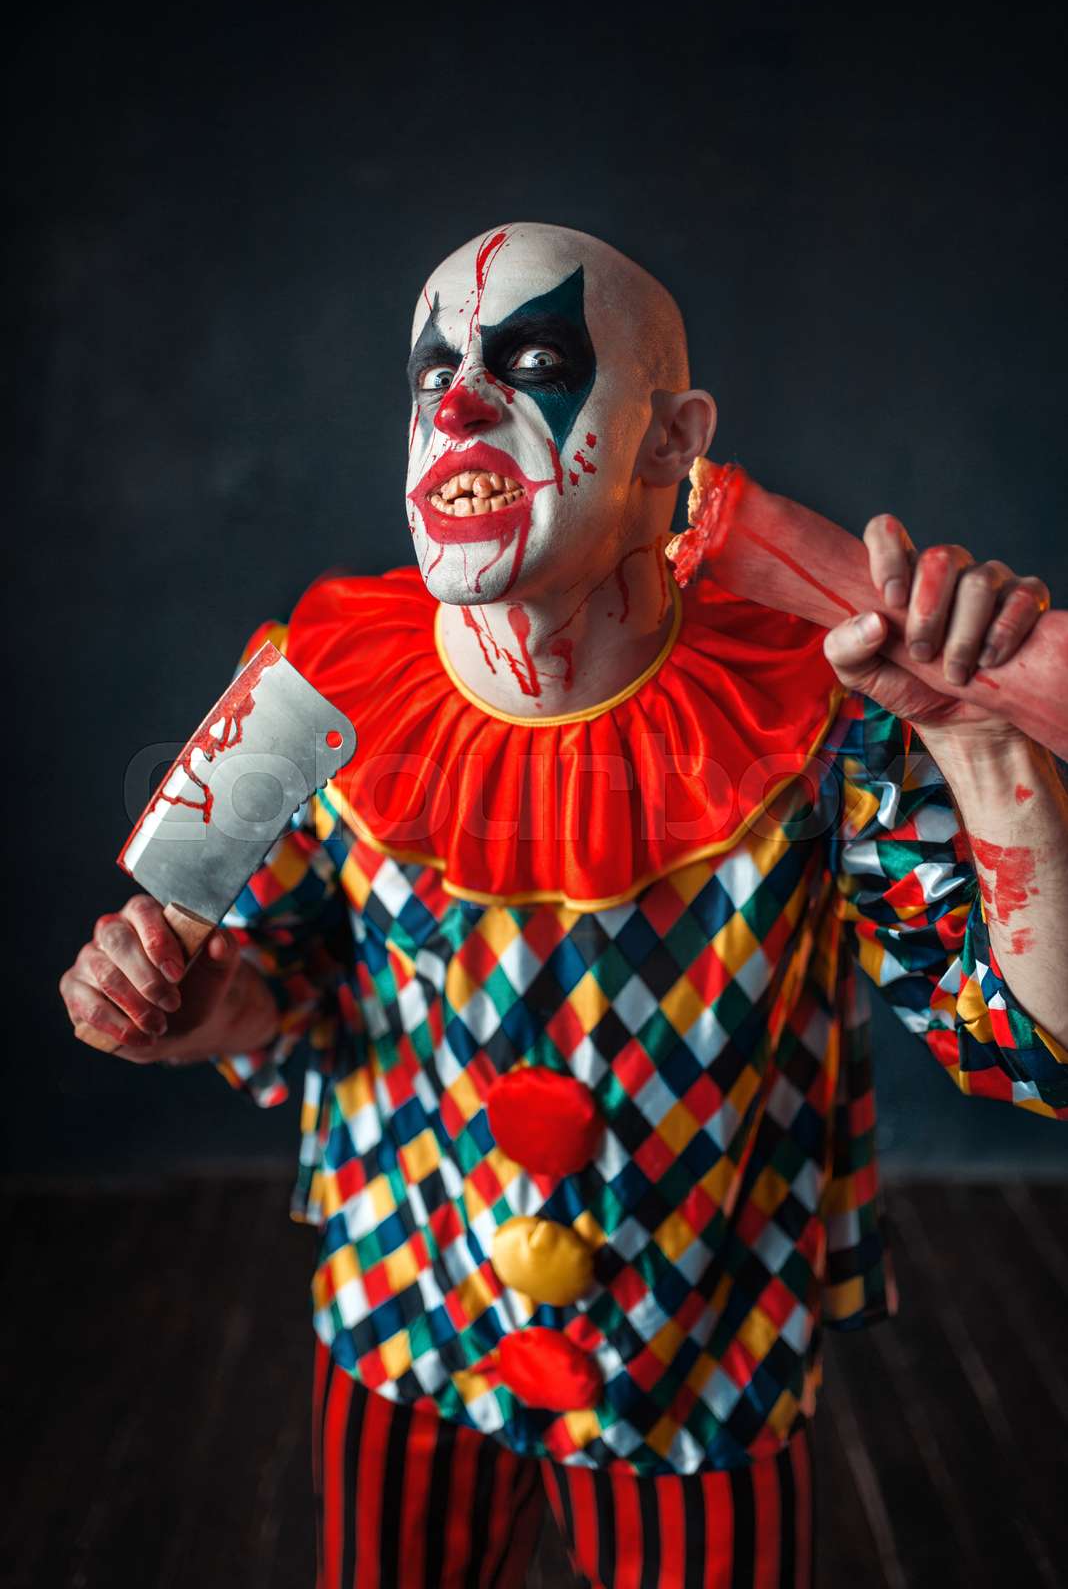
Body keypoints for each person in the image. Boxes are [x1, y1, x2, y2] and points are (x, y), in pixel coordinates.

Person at [60, 223, 1068, 1589]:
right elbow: (292, 991)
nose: (459, 404)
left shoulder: (825, 705)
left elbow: (1026, 1041)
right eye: (432, 376)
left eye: (534, 361)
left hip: (698, 1358)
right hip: (403, 1317)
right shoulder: (322, 677)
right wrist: (180, 1001)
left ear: (673, 441)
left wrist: (995, 753)